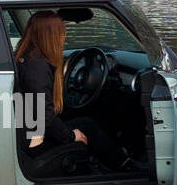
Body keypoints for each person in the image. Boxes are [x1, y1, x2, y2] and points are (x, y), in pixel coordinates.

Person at [12, 10, 130, 173]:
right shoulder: (37, 69)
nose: (63, 38)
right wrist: (70, 135)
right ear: (50, 37)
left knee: (88, 114)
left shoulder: (25, 58)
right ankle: (124, 167)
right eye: (61, 34)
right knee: (88, 125)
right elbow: (43, 115)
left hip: (31, 130)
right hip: (36, 141)